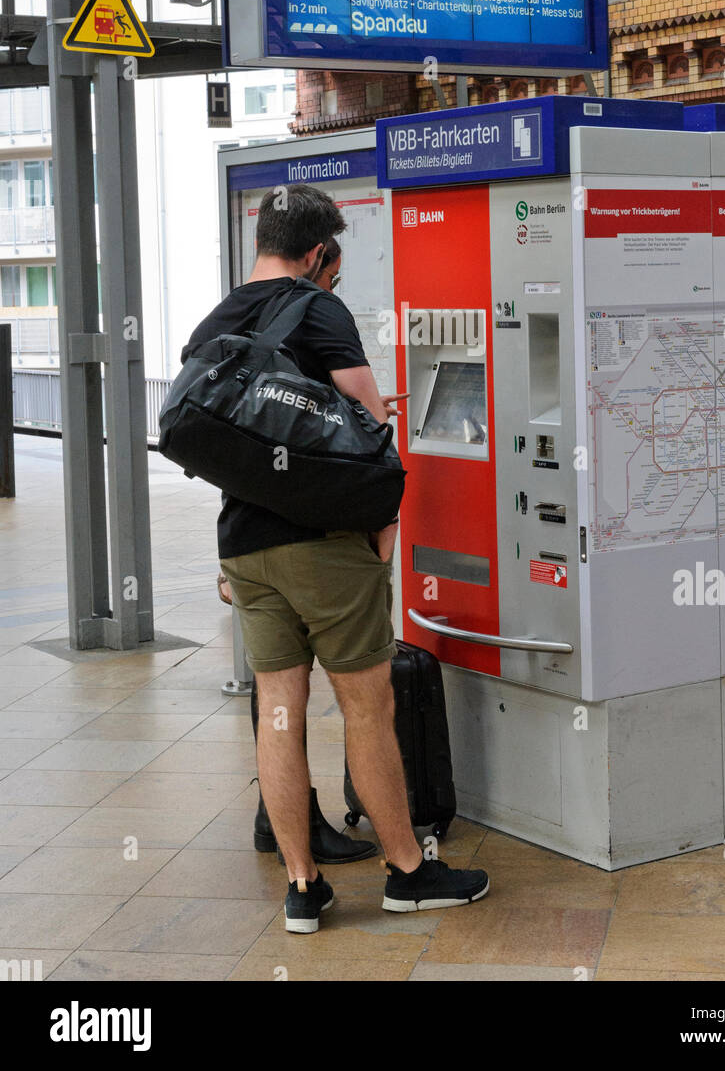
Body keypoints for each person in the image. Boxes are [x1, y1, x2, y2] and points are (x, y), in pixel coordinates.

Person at [183, 183, 489, 932]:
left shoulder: (214, 319)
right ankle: (407, 873)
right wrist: (380, 534)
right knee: (366, 709)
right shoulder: (317, 307)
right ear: (320, 252)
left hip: (245, 549)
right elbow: (372, 423)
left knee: (279, 715)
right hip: (324, 548)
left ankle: (301, 887)